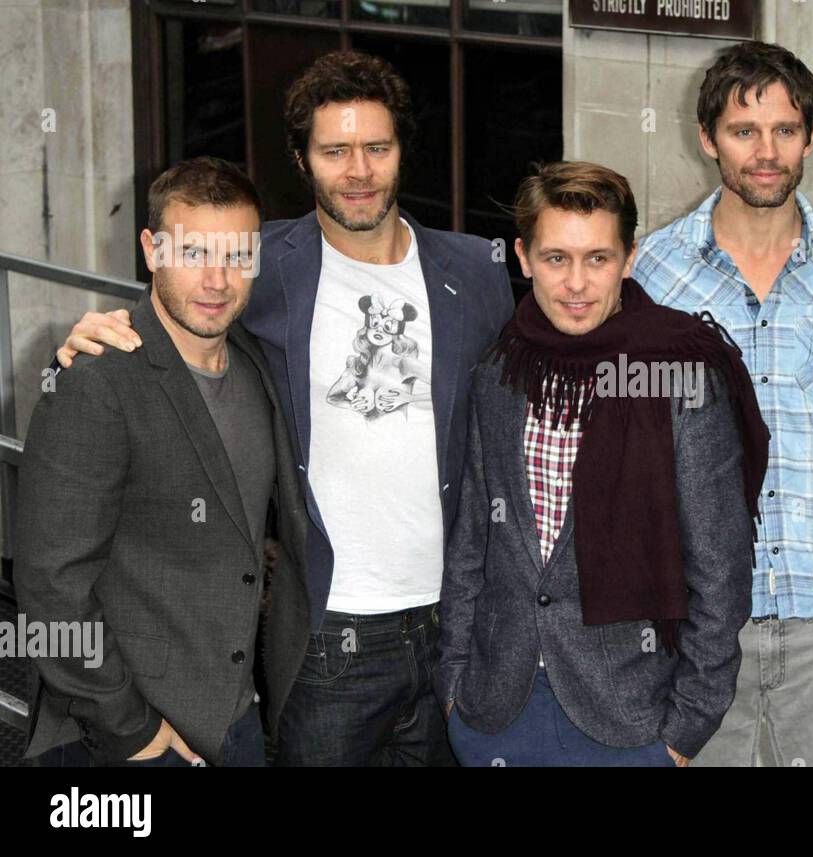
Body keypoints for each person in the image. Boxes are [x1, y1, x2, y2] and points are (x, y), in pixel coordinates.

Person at [54, 50, 515, 766]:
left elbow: (562, 329)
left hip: (450, 628)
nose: (358, 170)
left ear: (401, 152)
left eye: (376, 147)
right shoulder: (260, 264)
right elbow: (184, 301)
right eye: (335, 150)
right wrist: (94, 336)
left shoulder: (476, 273)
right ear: (302, 161)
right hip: (325, 637)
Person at [436, 161, 768, 766]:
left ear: (630, 257)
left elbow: (721, 568)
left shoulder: (678, 375)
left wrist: (684, 729)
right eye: (557, 258)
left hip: (628, 721)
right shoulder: (501, 369)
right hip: (494, 708)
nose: (577, 284)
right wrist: (453, 682)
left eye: (598, 258)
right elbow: (472, 543)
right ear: (523, 257)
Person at [632, 41, 813, 766]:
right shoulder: (655, 269)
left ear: (811, 135)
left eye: (784, 129)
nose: (766, 151)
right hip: (702, 625)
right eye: (744, 131)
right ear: (708, 139)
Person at [17, 157, 311, 767]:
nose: (217, 280)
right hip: (128, 735)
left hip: (236, 717)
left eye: (236, 256)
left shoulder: (255, 362)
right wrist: (133, 732)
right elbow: (50, 587)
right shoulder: (94, 378)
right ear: (151, 250)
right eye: (194, 252)